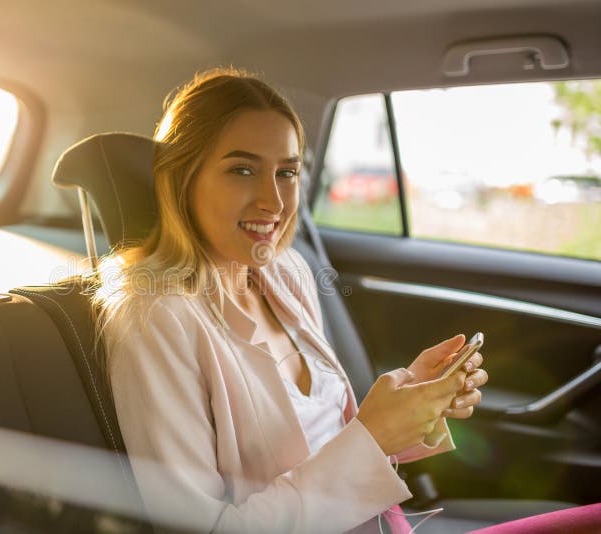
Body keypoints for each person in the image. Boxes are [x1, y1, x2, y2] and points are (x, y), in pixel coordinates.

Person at [93, 67, 488, 533]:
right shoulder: (156, 317)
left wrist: (412, 407)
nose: (275, 203)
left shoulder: (286, 272)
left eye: (287, 173)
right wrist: (371, 436)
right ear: (180, 178)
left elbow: (324, 448)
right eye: (242, 170)